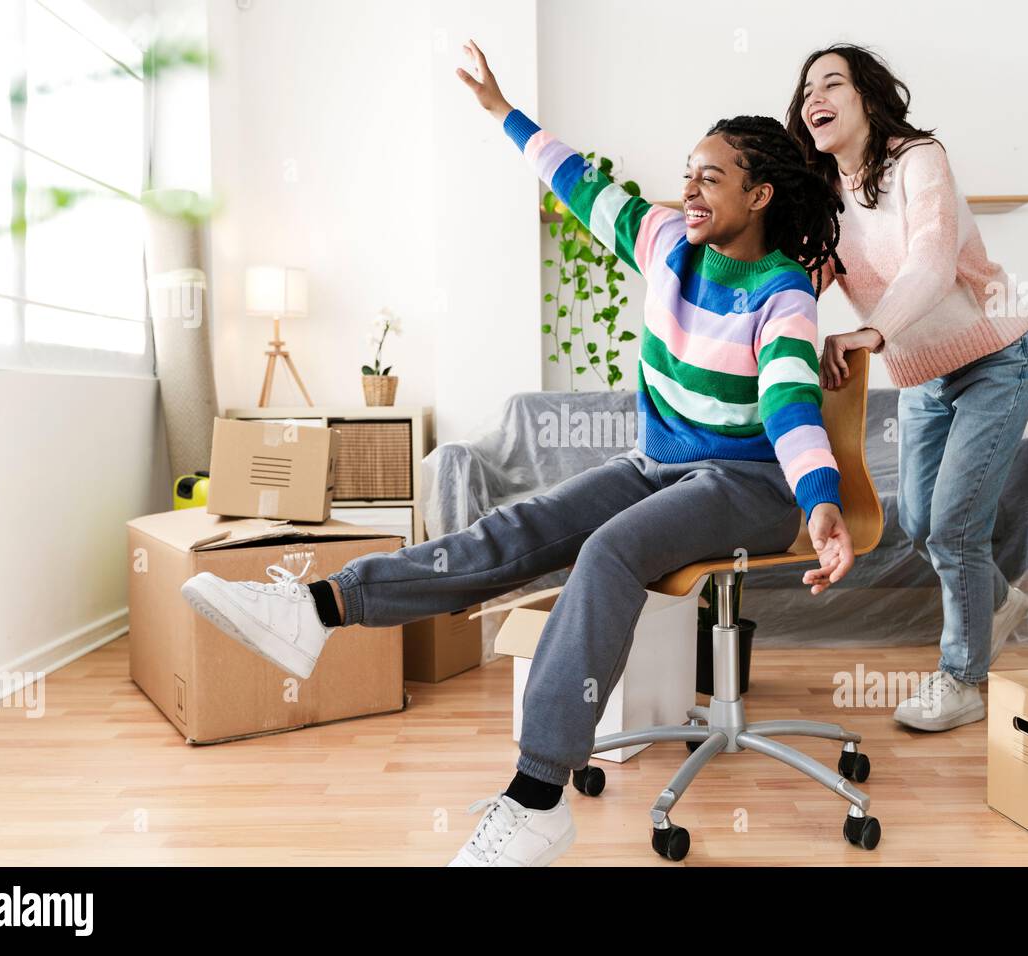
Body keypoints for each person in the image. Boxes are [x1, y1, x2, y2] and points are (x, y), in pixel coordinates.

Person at [181, 38, 855, 867]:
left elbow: (789, 401)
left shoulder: (782, 291)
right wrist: (502, 110)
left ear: (758, 194)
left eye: (709, 177)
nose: (687, 189)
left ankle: (537, 799)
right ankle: (317, 611)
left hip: (750, 484)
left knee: (608, 553)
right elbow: (578, 182)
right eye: (687, 171)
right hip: (658, 465)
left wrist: (822, 499)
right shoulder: (664, 243)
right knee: (520, 527)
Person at [785, 44, 1028, 732]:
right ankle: (999, 602)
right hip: (924, 376)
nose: (815, 96)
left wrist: (870, 335)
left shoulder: (918, 160)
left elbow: (930, 262)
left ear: (866, 98)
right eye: (807, 88)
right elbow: (802, 284)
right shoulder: (823, 198)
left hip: (996, 358)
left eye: (831, 82)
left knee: (955, 523)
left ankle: (962, 679)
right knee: (921, 522)